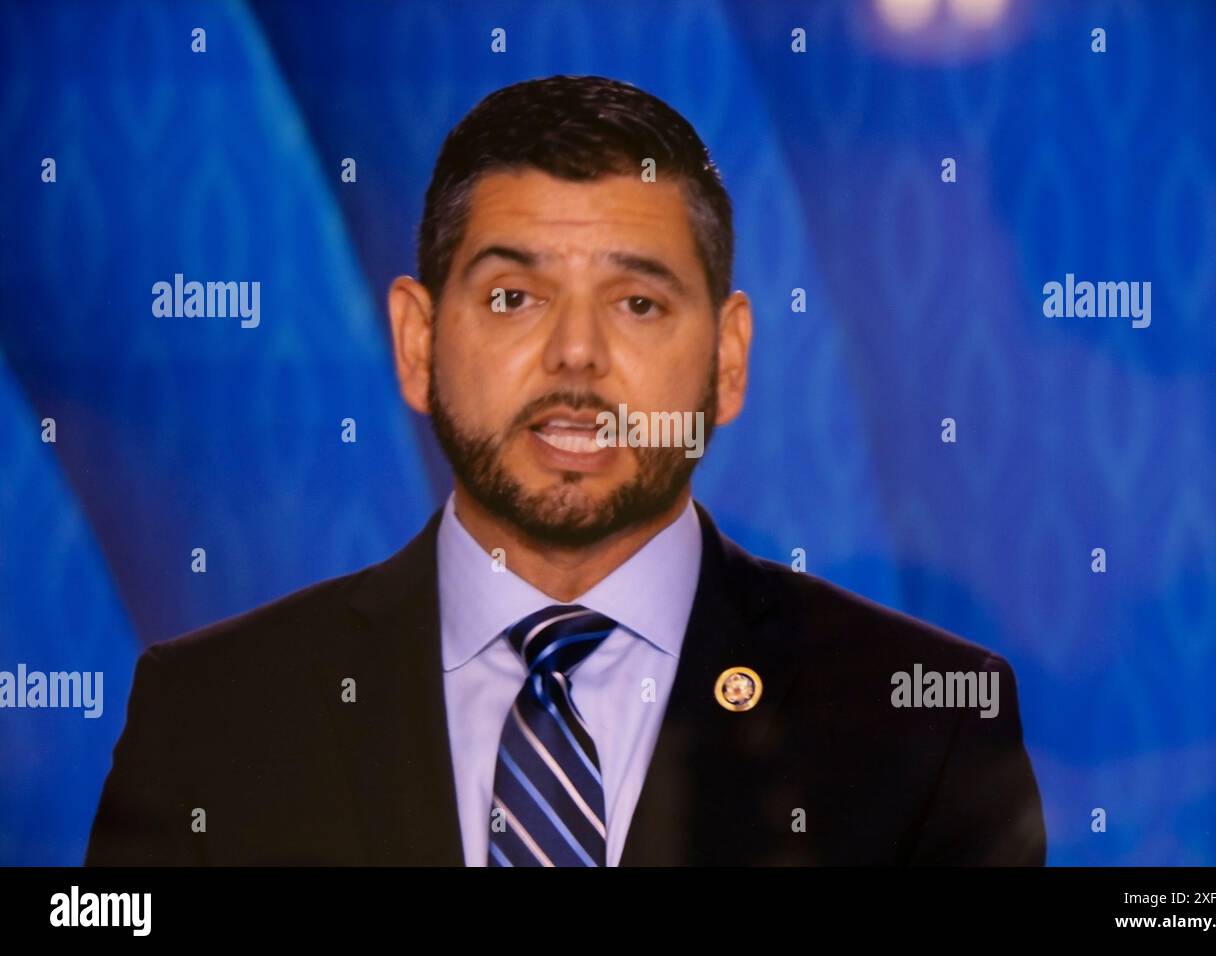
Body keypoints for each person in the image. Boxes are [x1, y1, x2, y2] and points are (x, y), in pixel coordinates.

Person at [85, 74, 1046, 866]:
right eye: (512, 297)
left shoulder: (928, 723)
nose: (575, 356)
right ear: (418, 342)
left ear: (728, 359)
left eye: (636, 303)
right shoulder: (210, 716)